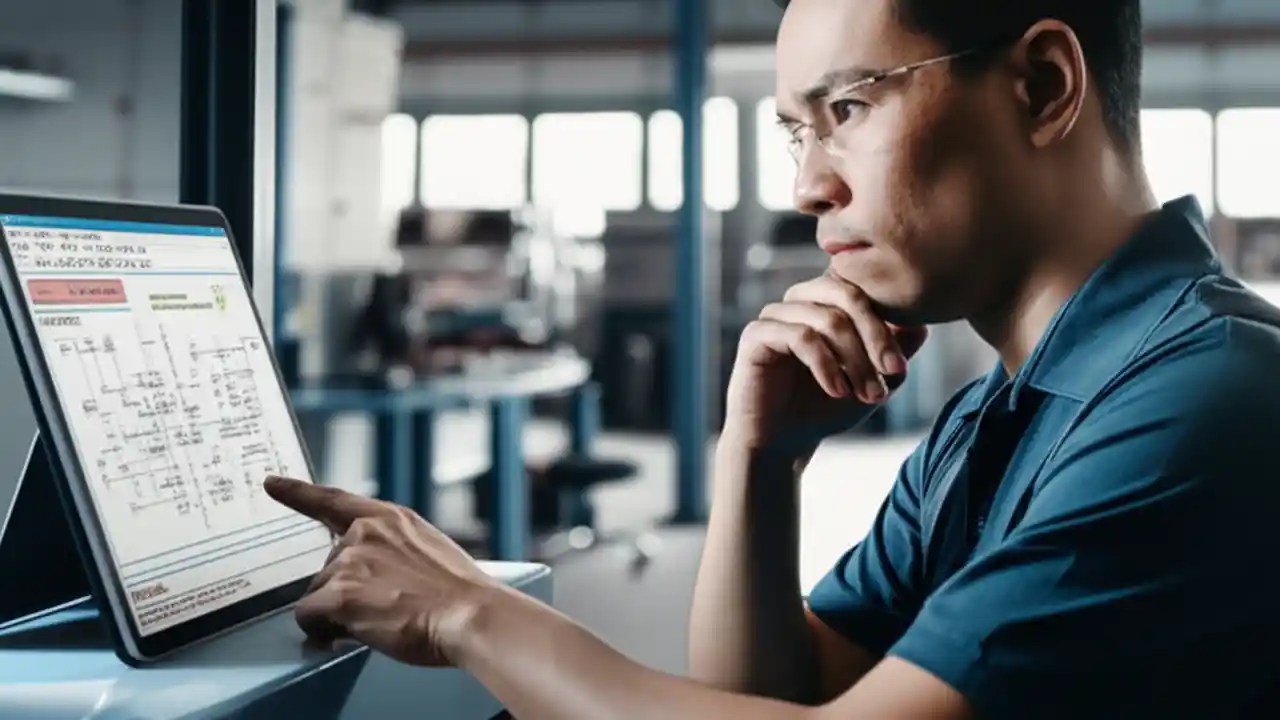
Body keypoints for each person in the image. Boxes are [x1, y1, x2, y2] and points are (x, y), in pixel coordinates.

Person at [264, 0, 1280, 717]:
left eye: (846, 108)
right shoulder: (992, 418)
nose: (806, 187)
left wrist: (467, 614)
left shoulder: (1209, 397)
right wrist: (759, 462)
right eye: (794, 131)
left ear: (1040, 84)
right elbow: (759, 698)